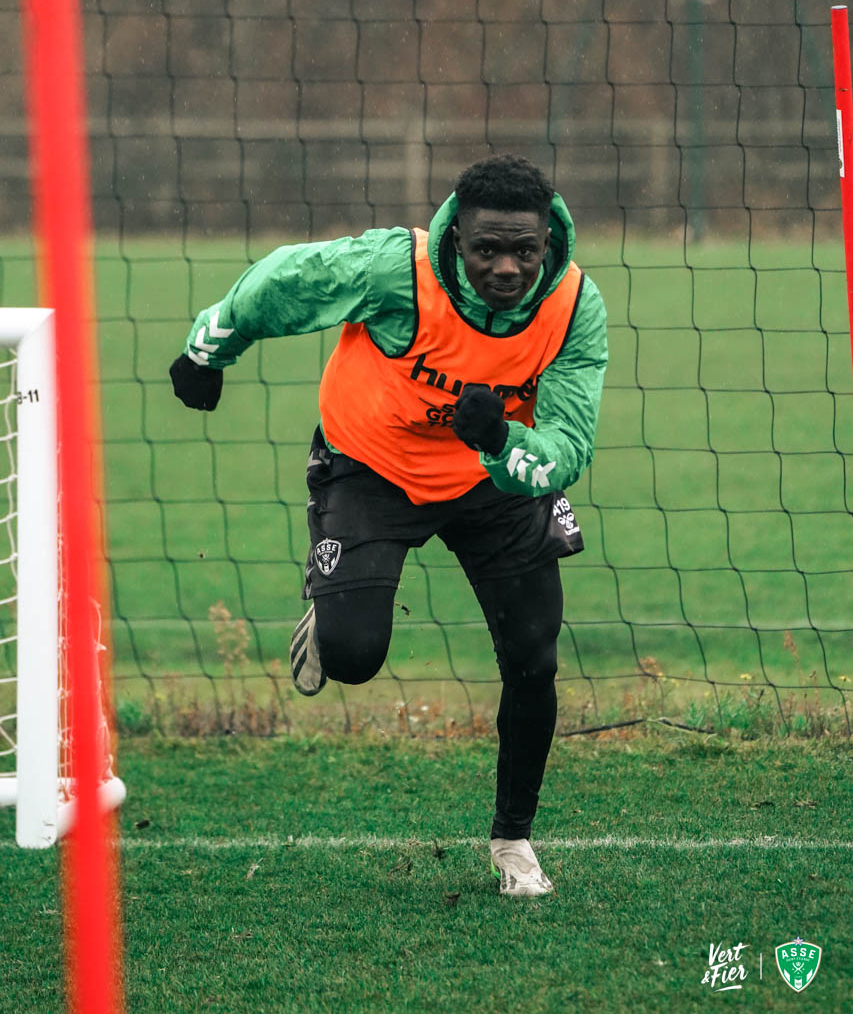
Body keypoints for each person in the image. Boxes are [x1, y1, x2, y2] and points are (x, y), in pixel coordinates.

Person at [170, 154, 607, 897]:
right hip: (371, 467)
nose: (505, 267)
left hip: (491, 477)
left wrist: (500, 440)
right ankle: (331, 612)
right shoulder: (393, 268)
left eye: (523, 251)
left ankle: (512, 842)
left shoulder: (573, 306)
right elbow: (284, 282)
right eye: (485, 250)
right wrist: (209, 349)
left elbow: (566, 448)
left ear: (546, 243)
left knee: (534, 659)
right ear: (456, 237)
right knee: (354, 655)